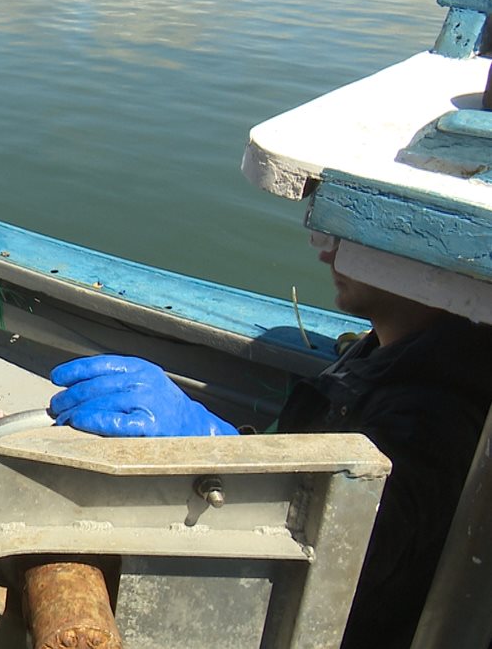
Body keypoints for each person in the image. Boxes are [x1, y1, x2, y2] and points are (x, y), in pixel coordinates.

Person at [47, 232, 492, 648]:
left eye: (348, 235)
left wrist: (216, 448)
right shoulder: (391, 346)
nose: (324, 250)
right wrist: (242, 447)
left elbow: (348, 558)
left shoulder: (440, 418)